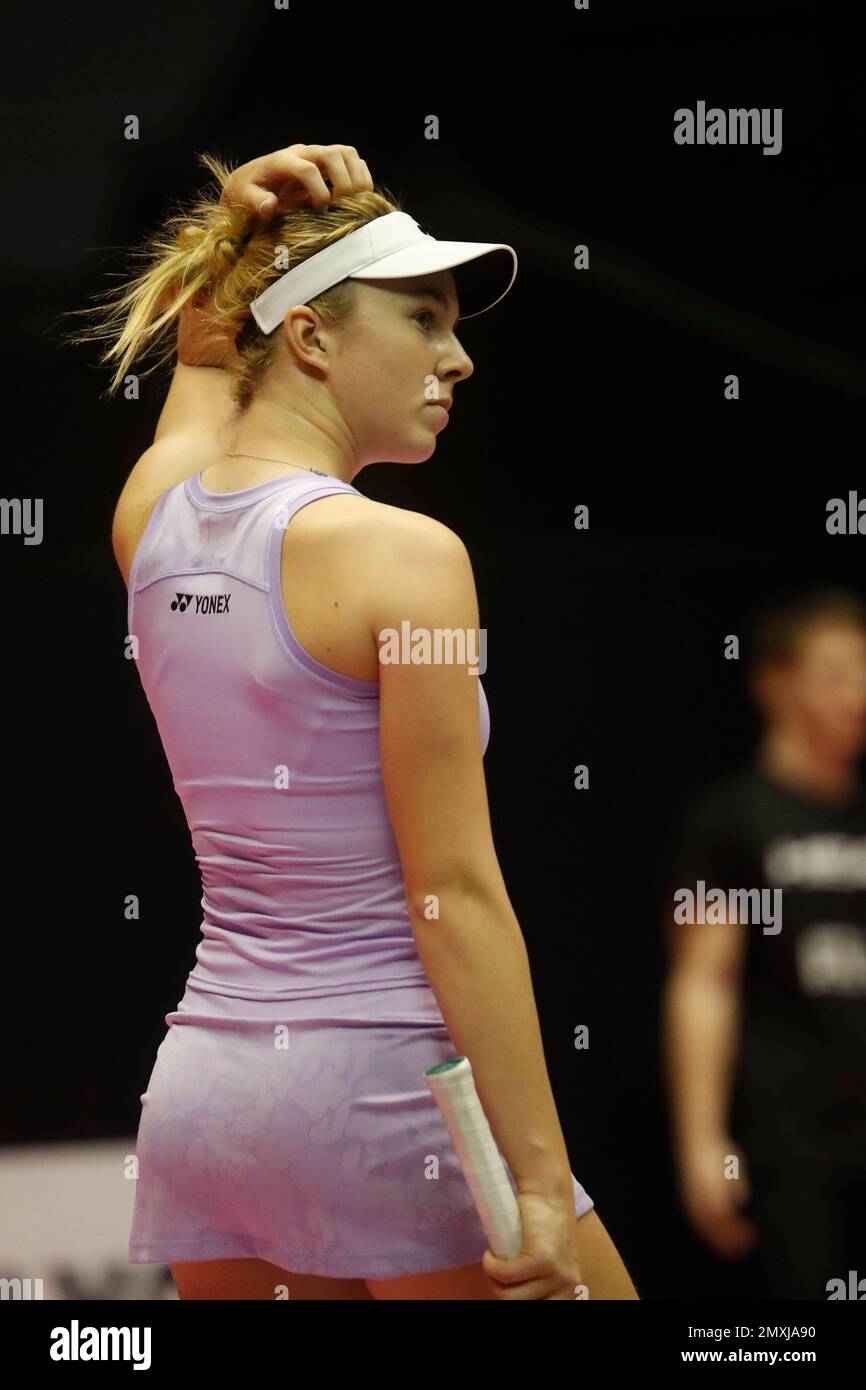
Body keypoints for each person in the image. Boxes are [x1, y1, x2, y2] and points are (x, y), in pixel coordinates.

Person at [70, 143, 638, 1300]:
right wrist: (537, 1180)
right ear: (313, 338)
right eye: (424, 318)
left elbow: (202, 351)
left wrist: (236, 224)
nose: (459, 356)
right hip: (395, 1095)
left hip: (208, 1106)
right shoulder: (405, 555)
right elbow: (455, 894)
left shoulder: (153, 520)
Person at [663, 587, 866, 1299]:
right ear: (776, 684)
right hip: (791, 1142)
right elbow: (704, 982)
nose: (858, 696)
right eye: (837, 674)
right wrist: (701, 1144)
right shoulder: (733, 820)